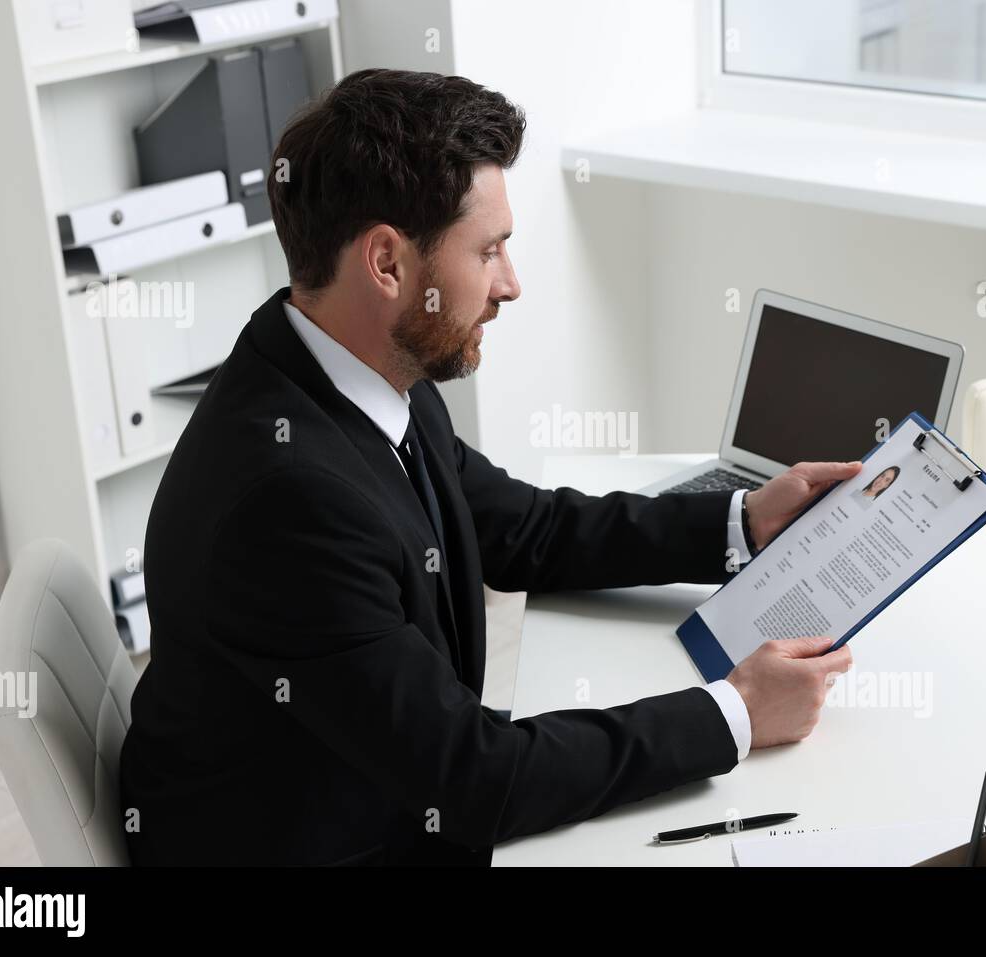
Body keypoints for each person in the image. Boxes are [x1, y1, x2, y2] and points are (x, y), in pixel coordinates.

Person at [119, 69, 856, 866]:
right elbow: (471, 780)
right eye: (490, 249)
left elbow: (522, 528)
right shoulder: (289, 501)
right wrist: (735, 713)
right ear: (388, 264)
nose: (510, 283)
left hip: (373, 782)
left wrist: (742, 519)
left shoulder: (357, 360)